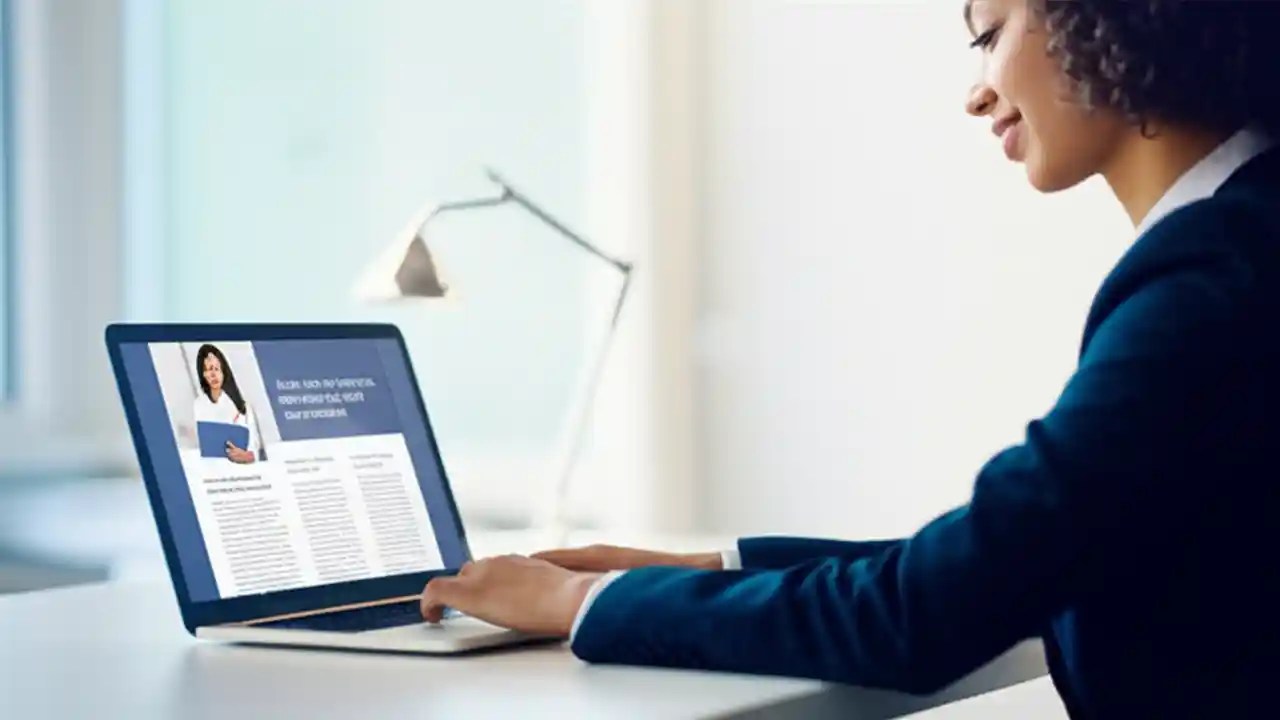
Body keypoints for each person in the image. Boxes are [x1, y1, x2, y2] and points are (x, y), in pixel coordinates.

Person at [419, 1, 1280, 716]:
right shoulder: (1244, 235)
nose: (977, 95)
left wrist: (581, 603)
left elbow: (930, 613)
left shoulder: (1218, 271)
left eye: (989, 32)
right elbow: (1018, 553)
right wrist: (702, 568)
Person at [193, 344, 261, 464]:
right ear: (203, 374)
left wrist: (247, 456)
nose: (213, 374)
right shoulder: (197, 406)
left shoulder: (243, 407)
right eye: (208, 369)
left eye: (216, 368)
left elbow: (255, 450)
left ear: (224, 372)